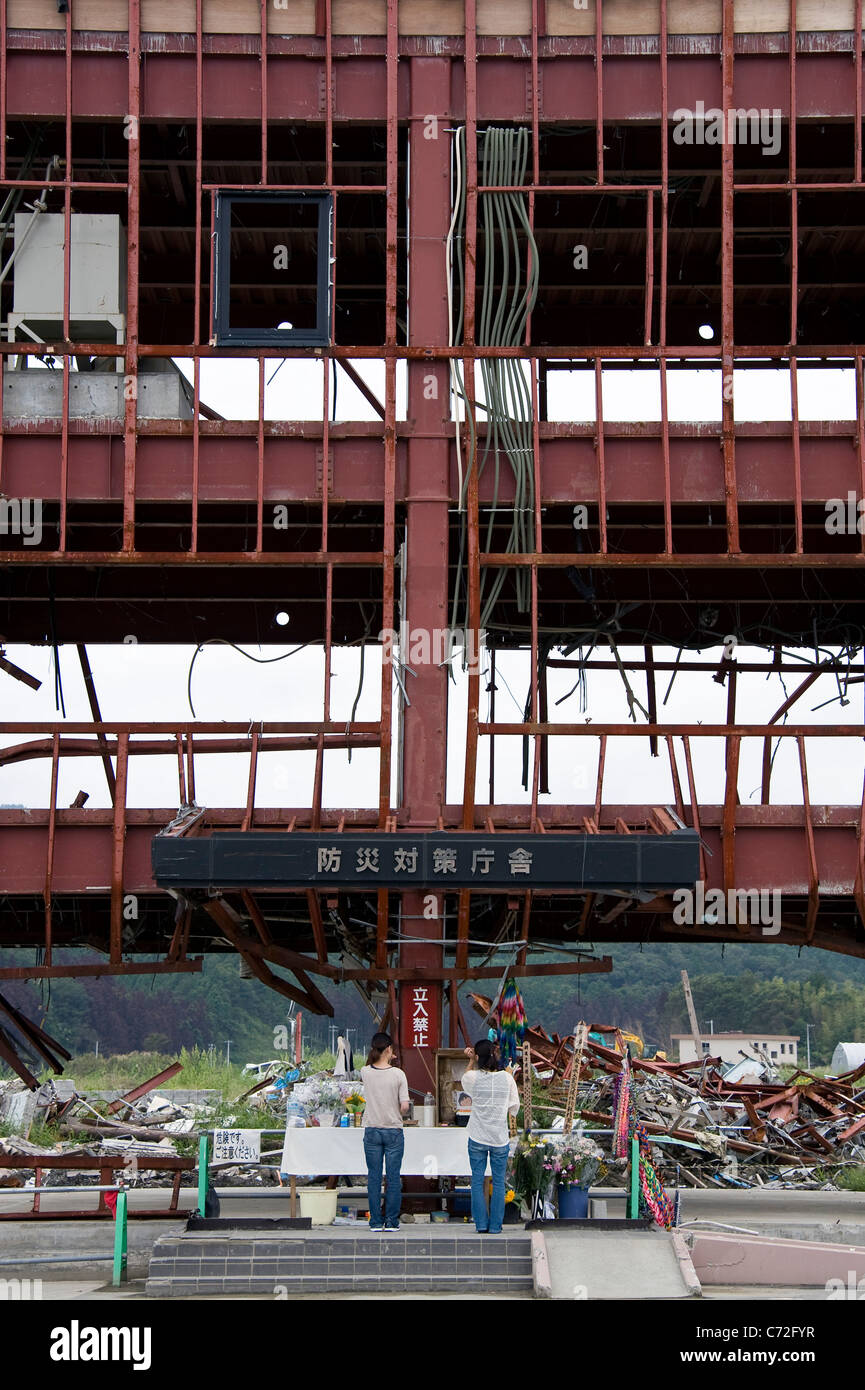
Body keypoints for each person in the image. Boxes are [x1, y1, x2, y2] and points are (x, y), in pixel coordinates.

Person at [461, 1039, 520, 1234]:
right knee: (498, 1182)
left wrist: (470, 1061)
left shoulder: (473, 1078)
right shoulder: (507, 1078)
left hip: (477, 1135)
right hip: (499, 1137)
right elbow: (514, 1109)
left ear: (477, 1057)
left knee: (477, 1181)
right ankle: (495, 1226)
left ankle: (480, 1224)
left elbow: (466, 1078)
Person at [360, 1031, 409, 1232]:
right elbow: (404, 1106)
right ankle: (391, 1221)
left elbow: (371, 1064)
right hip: (393, 1130)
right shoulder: (399, 1074)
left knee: (373, 1176)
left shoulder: (365, 1072)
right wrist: (395, 1112)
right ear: (389, 1049)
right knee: (393, 1177)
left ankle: (375, 1222)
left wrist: (385, 1055)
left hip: (372, 1129)